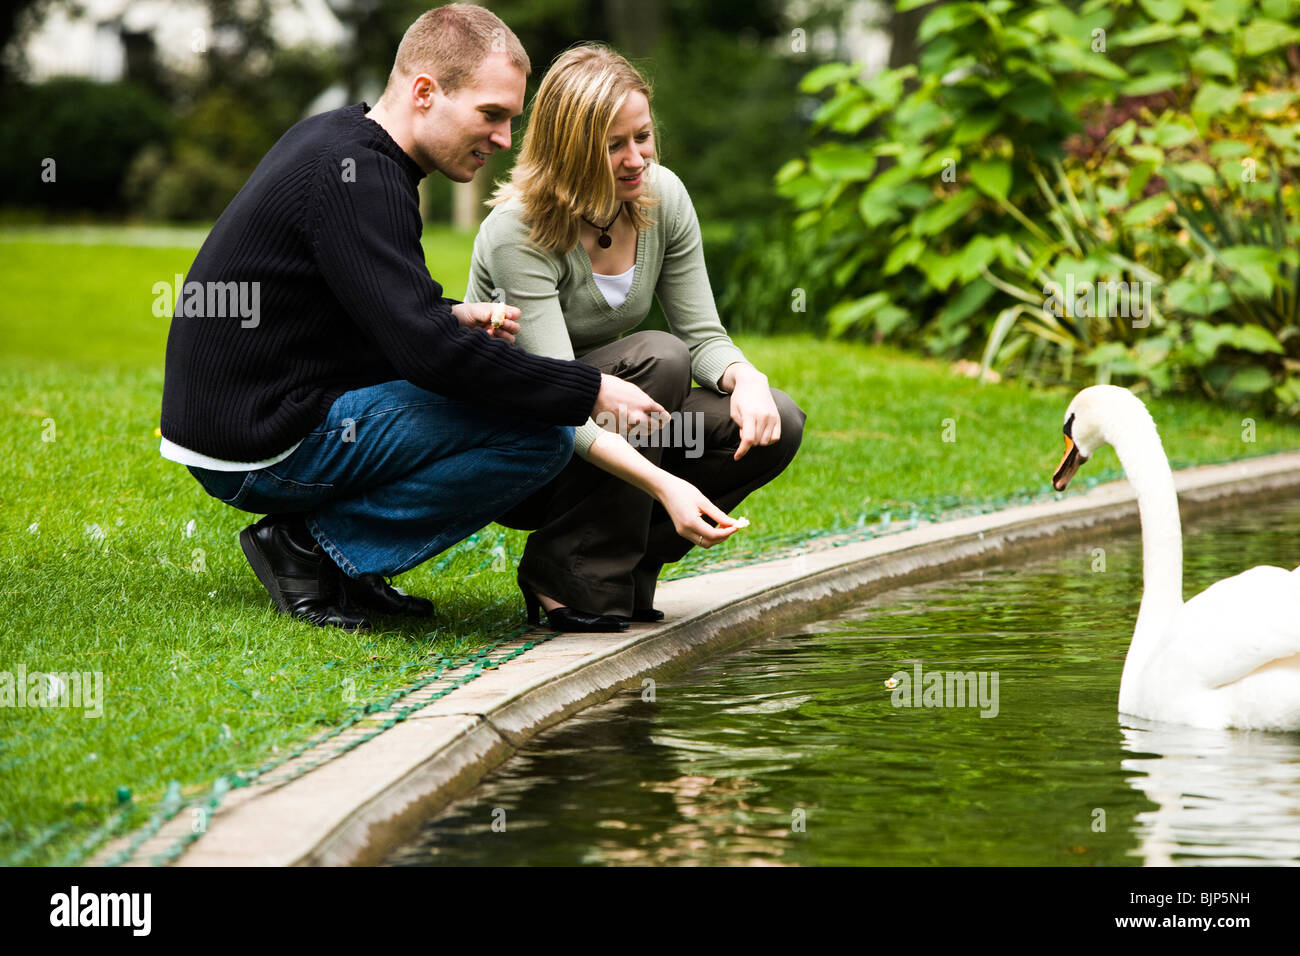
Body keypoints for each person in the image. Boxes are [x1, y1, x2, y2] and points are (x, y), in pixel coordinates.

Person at [159, 6, 665, 631]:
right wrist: (589, 388)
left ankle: (344, 564)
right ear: (425, 92)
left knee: (520, 410)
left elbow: (371, 308)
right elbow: (427, 356)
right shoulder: (361, 175)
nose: (505, 139)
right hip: (261, 439)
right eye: (492, 115)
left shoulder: (344, 142)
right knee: (539, 436)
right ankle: (310, 551)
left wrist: (451, 314)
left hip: (244, 417)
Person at [467, 44, 806, 632]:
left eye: (642, 137)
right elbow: (560, 402)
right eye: (613, 145)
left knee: (777, 420)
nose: (635, 160)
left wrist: (748, 380)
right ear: (569, 148)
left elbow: (703, 337)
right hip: (520, 446)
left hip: (606, 423)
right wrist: (665, 484)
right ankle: (565, 572)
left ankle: (625, 569)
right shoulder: (518, 231)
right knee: (658, 358)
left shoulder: (662, 196)